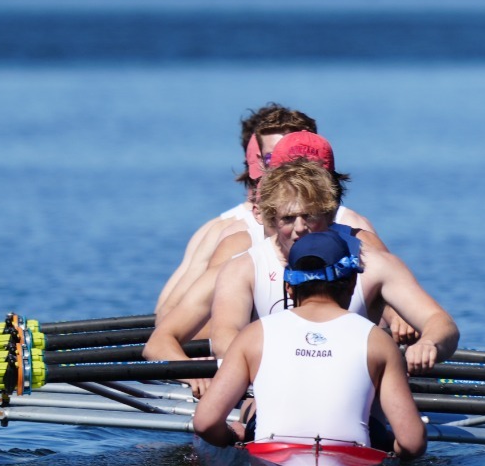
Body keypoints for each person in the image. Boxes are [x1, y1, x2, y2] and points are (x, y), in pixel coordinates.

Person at [193, 157, 458, 374]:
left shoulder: (371, 263)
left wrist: (428, 343)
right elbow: (225, 339)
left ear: (329, 214)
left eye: (309, 216)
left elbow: (440, 323)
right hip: (270, 388)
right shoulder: (243, 268)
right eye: (288, 218)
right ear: (271, 219)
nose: (299, 229)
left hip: (356, 393)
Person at [191, 230, 427, 460]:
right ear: (352, 282)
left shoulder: (253, 335)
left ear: (289, 287)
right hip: (353, 458)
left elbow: (205, 422)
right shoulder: (379, 341)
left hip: (270, 458)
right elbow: (412, 442)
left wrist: (233, 436)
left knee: (250, 410)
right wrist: (388, 448)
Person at [154, 105, 376, 316]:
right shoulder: (229, 235)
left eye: (302, 157)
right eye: (275, 157)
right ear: (258, 161)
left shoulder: (355, 228)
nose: (295, 168)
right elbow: (168, 314)